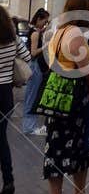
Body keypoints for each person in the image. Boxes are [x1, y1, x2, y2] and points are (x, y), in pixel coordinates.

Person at [40, 0, 89, 194]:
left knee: (69, 147)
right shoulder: (75, 33)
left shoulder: (58, 32)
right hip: (73, 99)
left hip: (58, 97)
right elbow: (85, 69)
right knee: (70, 148)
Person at [0, 6, 30, 194]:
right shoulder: (13, 39)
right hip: (5, 94)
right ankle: (8, 181)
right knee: (1, 138)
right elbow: (27, 57)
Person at [22, 8, 50, 137]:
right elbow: (33, 53)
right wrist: (46, 45)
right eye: (44, 21)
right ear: (39, 19)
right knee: (32, 97)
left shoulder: (34, 31)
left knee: (31, 96)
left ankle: (29, 126)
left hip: (33, 66)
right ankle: (29, 127)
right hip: (35, 66)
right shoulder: (35, 34)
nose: (45, 24)